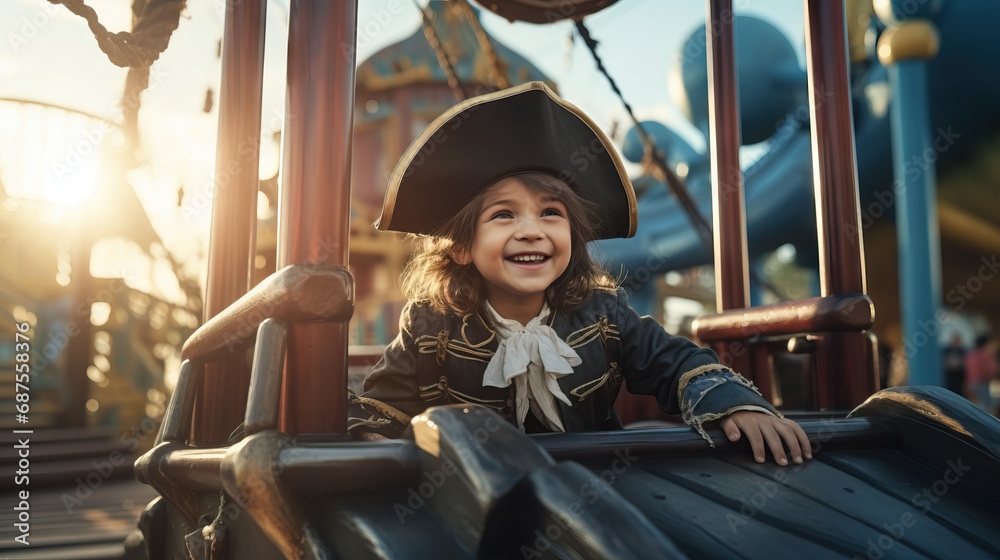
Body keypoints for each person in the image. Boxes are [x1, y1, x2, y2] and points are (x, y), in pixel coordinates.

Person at [348, 82, 810, 466]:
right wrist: (381, 448)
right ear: (464, 248)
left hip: (589, 489)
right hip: (473, 498)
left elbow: (675, 362)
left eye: (551, 213)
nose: (532, 231)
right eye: (504, 215)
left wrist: (733, 404)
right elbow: (383, 405)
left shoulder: (603, 314)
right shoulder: (432, 322)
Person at [964, 334, 997, 414]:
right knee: (986, 409)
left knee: (974, 407)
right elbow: (990, 370)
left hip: (971, 383)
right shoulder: (986, 354)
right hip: (983, 383)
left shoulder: (970, 354)